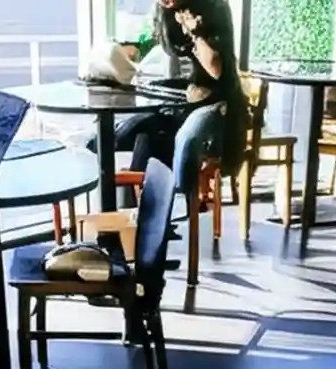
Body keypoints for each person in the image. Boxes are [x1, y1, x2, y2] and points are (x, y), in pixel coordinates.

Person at [97, 0, 247, 214]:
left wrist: (196, 33)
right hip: (186, 99)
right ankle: (133, 215)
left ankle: (179, 201)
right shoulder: (166, 11)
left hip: (220, 105)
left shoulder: (214, 7)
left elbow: (216, 69)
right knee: (141, 134)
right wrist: (124, 52)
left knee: (180, 138)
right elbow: (156, 41)